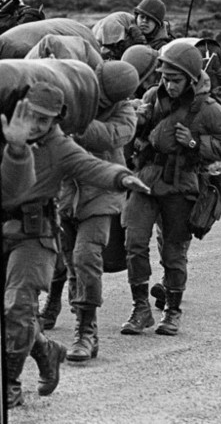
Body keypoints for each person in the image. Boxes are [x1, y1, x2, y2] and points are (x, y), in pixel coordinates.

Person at [2, 85, 149, 407]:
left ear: (57, 120)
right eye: (33, 116)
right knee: (14, 314)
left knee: (18, 306)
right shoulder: (6, 132)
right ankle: (44, 349)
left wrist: (122, 178)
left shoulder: (59, 146)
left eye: (46, 119)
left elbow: (92, 166)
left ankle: (10, 384)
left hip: (34, 234)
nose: (38, 125)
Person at [121, 42, 221, 336]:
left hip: (181, 184)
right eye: (165, 78)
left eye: (176, 80)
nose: (169, 85)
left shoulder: (206, 108)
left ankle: (172, 311)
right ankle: (140, 309)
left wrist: (194, 143)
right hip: (145, 179)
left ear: (191, 79)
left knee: (173, 252)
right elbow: (131, 133)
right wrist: (138, 122)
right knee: (134, 241)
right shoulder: (151, 96)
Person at [52, 62, 140, 363]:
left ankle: (86, 330)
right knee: (70, 263)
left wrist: (74, 118)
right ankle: (78, 319)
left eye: (105, 101)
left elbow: (109, 137)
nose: (98, 102)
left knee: (86, 258)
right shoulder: (73, 93)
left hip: (101, 195)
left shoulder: (126, 113)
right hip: (65, 193)